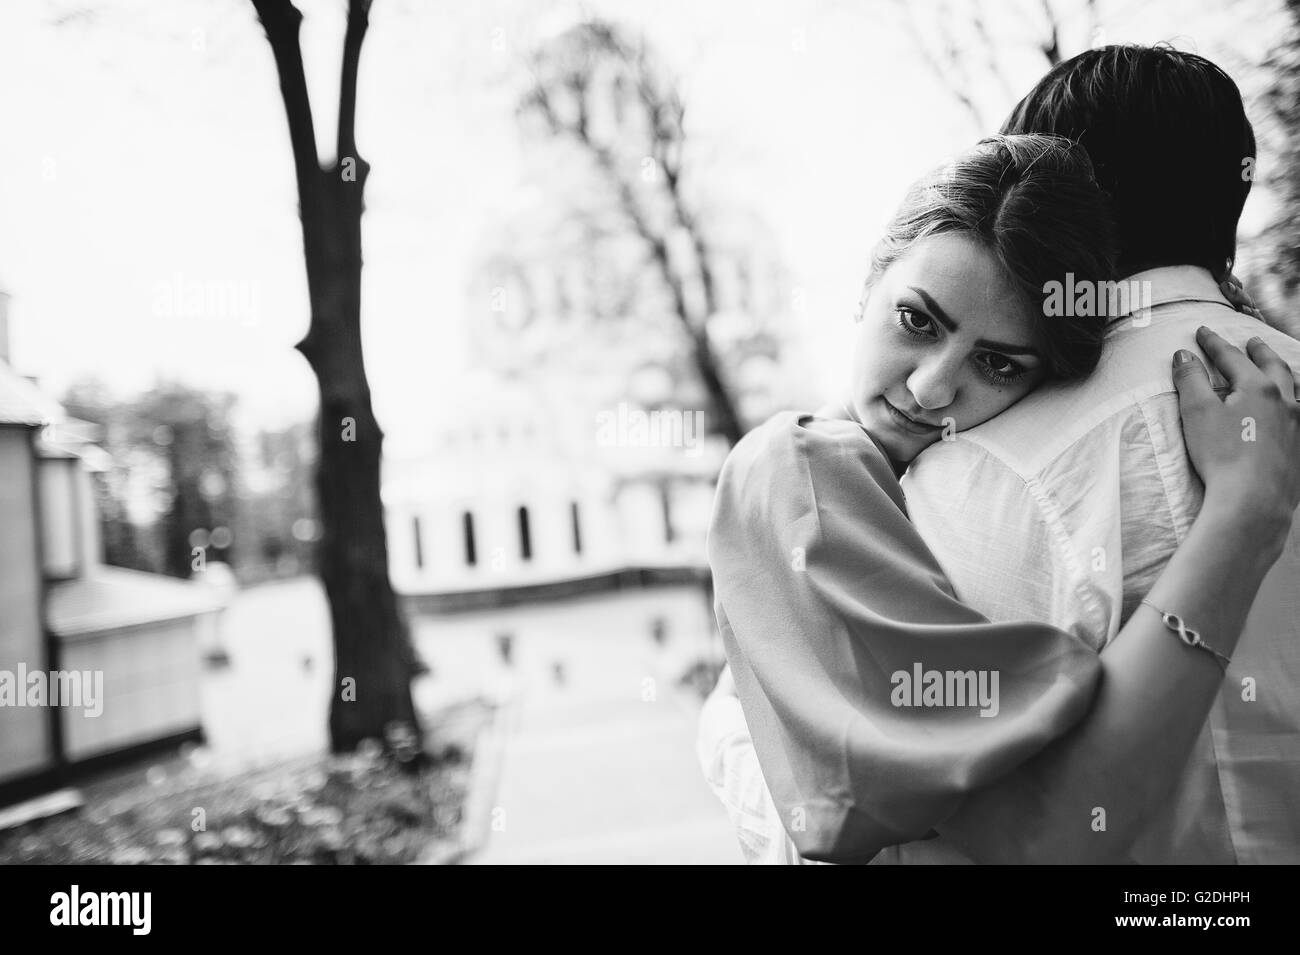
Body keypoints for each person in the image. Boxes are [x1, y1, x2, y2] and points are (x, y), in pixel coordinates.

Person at [699, 46, 1300, 865]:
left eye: (998, 362)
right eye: (917, 318)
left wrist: (729, 733)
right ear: (868, 282)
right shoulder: (803, 476)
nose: (934, 388)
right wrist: (1241, 514)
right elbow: (1046, 822)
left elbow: (1042, 818)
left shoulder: (982, 473)